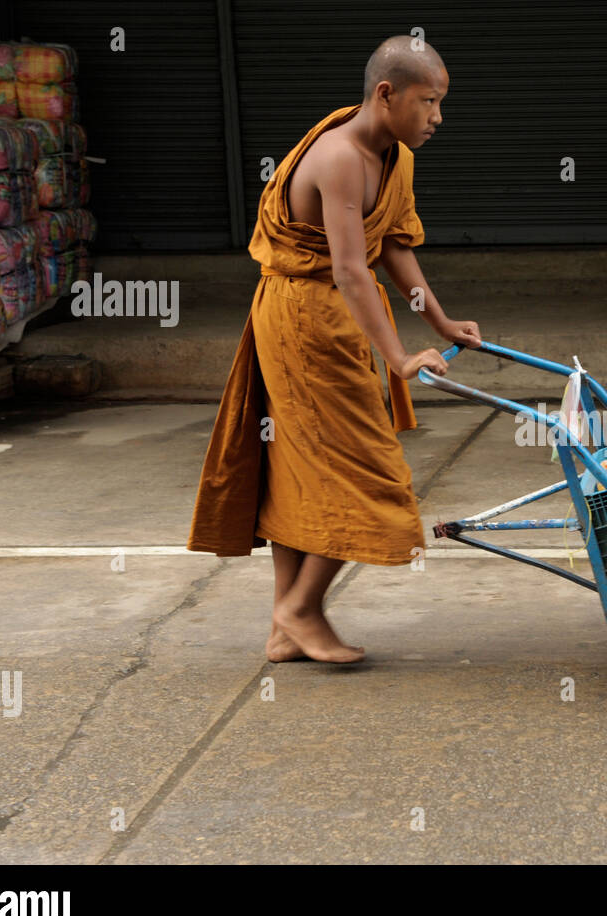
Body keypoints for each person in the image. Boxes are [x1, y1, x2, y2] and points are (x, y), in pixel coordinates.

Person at [187, 36, 480, 664]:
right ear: (386, 94)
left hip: (336, 319)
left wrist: (440, 322)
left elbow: (394, 246)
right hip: (301, 320)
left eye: (440, 103)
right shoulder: (341, 156)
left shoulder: (393, 154)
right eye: (428, 102)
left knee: (301, 473)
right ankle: (300, 608)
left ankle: (282, 624)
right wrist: (400, 358)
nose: (437, 118)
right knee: (365, 469)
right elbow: (350, 269)